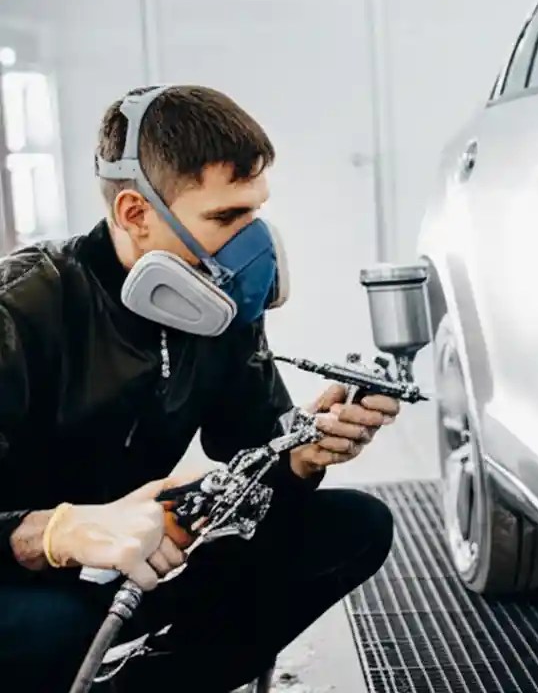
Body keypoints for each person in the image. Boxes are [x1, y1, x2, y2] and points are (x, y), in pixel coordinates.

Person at [0, 85, 398, 691]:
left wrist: (302, 455)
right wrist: (58, 532)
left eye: (254, 212)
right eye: (225, 218)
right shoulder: (22, 307)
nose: (253, 245)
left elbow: (254, 458)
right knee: (48, 630)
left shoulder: (216, 304)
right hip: (25, 582)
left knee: (353, 527)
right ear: (135, 214)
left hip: (144, 561)